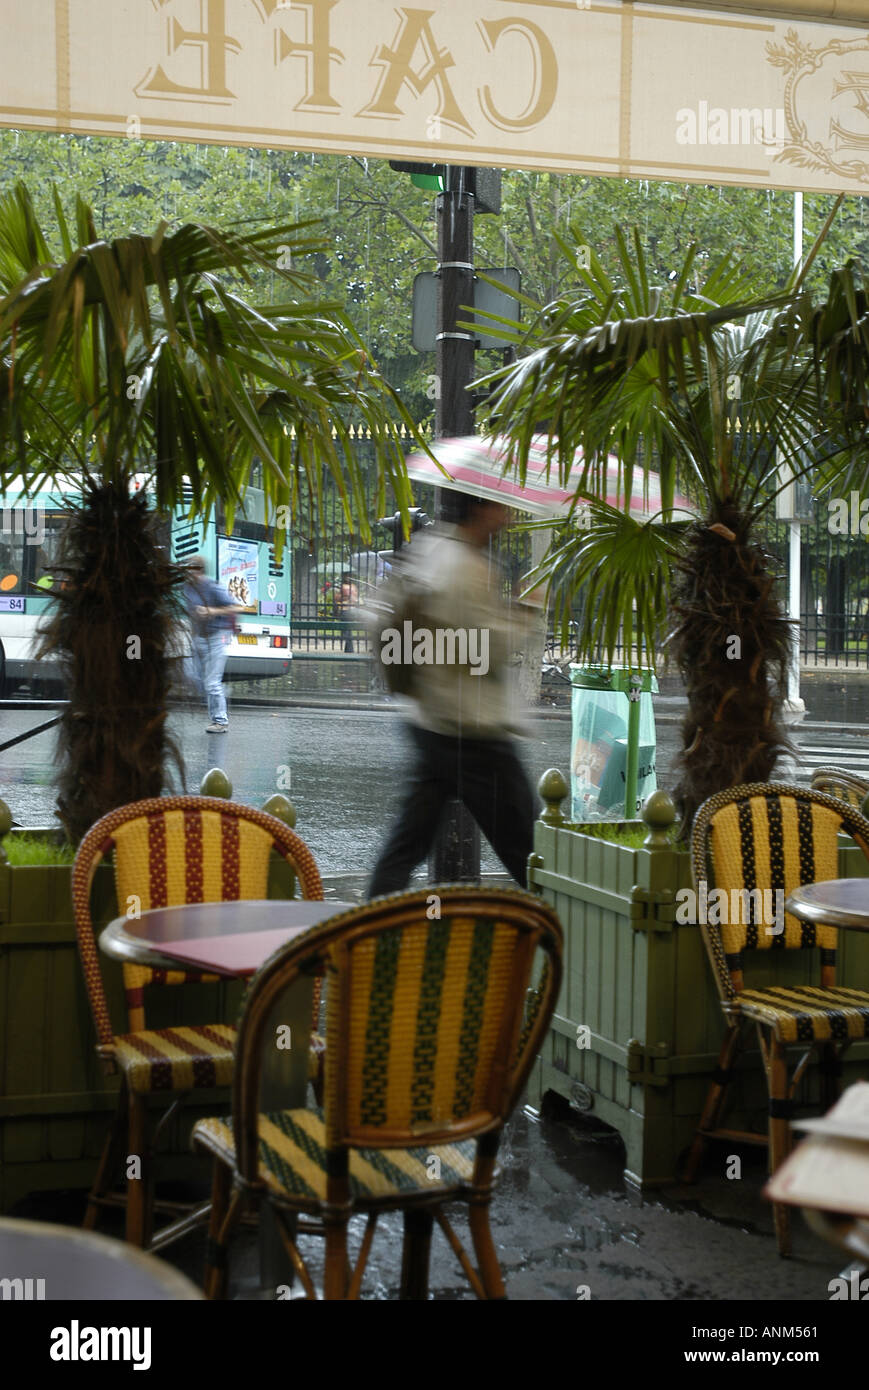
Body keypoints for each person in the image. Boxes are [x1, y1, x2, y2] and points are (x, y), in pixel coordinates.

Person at [365, 493, 544, 897]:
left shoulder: (435, 548)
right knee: (529, 849)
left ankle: (368, 927)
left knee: (407, 842)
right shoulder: (467, 569)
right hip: (474, 730)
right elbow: (488, 651)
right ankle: (565, 927)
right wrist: (527, 610)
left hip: (430, 718)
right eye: (501, 505)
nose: (509, 515)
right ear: (481, 509)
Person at [183, 555, 245, 733]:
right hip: (198, 638)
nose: (188, 572)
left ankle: (220, 721)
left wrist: (211, 611)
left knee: (211, 682)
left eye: (191, 569)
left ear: (199, 570)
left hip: (216, 637)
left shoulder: (211, 586)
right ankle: (220, 691)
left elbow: (237, 607)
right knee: (191, 675)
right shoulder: (187, 588)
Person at [336, 570, 359, 652]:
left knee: (347, 630)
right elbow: (337, 598)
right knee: (348, 630)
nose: (348, 578)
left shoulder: (349, 586)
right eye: (346, 576)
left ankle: (349, 649)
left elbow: (355, 598)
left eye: (349, 576)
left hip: (349, 609)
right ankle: (349, 648)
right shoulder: (347, 586)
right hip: (348, 609)